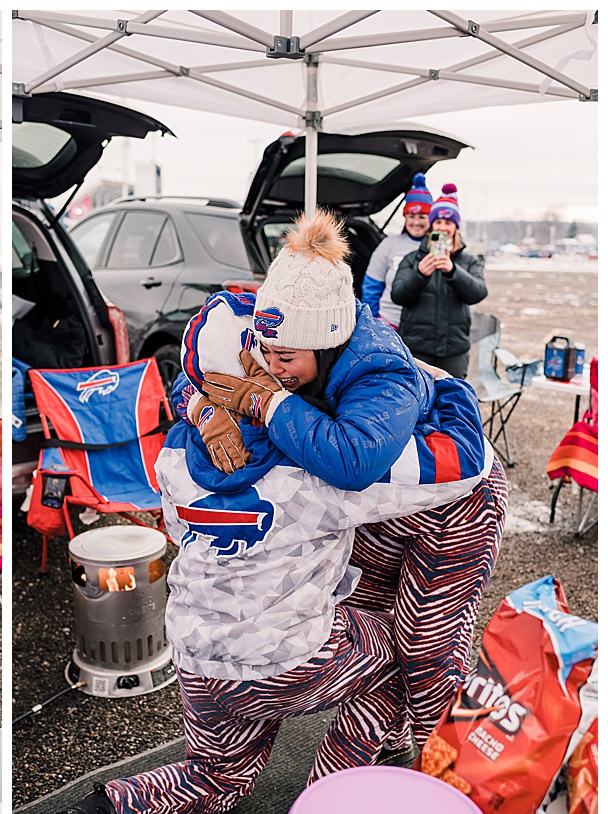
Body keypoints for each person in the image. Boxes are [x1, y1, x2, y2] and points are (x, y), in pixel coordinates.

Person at [43, 289, 494, 814]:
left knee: (215, 780)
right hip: (284, 657)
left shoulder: (177, 458)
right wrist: (442, 385)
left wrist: (203, 408)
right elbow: (460, 465)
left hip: (199, 656)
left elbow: (184, 479)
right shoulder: (318, 476)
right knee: (397, 665)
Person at [194, 210, 507, 762]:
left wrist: (269, 402)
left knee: (424, 647)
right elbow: (199, 365)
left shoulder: (381, 369)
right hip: (379, 507)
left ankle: (459, 774)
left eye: (285, 358)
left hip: (454, 501)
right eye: (265, 352)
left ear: (328, 342)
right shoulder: (271, 323)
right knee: (370, 615)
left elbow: (353, 458)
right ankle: (383, 753)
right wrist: (202, 408)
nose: (271, 364)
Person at [390, 182, 488, 379]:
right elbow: (398, 295)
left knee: (452, 401)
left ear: (456, 227)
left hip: (454, 349)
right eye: (438, 222)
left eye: (448, 223)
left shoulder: (469, 260)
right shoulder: (413, 259)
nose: (443, 228)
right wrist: (420, 275)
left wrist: (453, 271)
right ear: (431, 226)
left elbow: (478, 293)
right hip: (417, 347)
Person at [360, 171, 434, 328]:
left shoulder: (437, 248)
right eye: (411, 216)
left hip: (424, 329)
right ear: (405, 217)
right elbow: (372, 285)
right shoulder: (389, 245)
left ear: (431, 218)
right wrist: (373, 322)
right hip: (389, 323)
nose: (416, 222)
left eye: (422, 216)